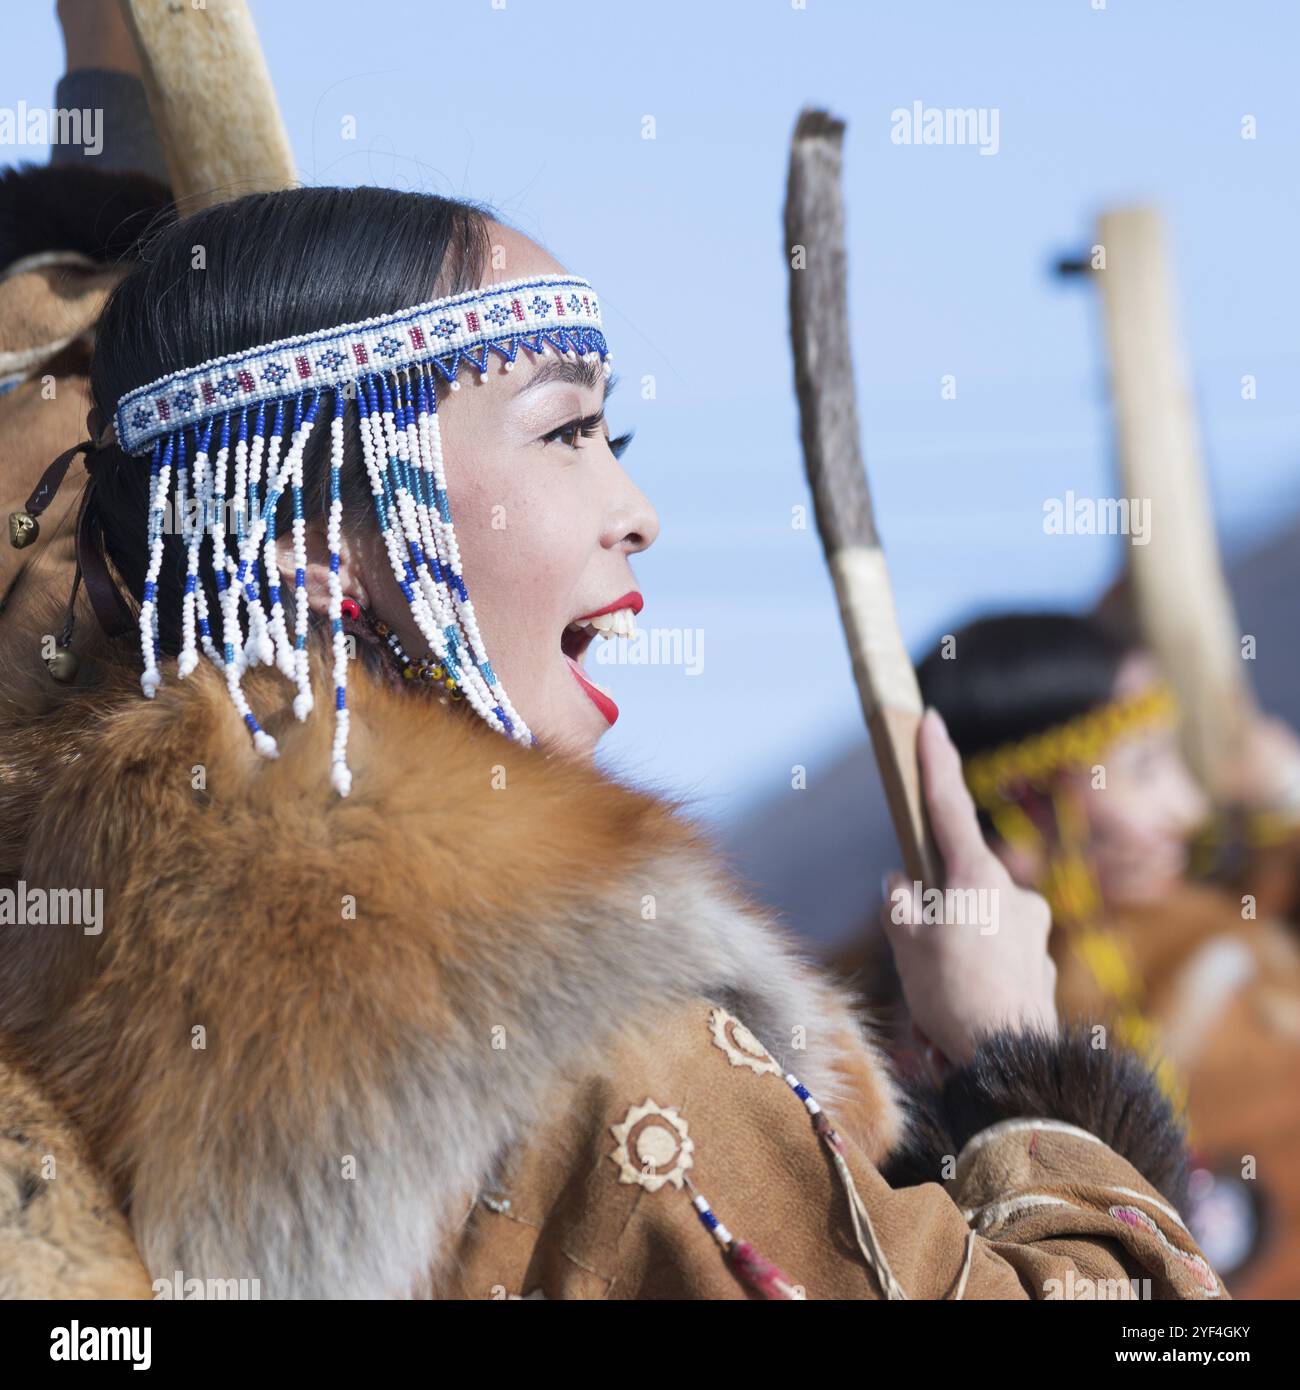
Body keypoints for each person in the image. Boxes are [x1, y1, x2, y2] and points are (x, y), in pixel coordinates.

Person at [0, 177, 1228, 1300]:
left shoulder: (70, 932)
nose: (635, 513)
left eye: (614, 439)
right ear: (314, 534)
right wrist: (1017, 1065)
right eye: (564, 430)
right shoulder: (575, 1027)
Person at [904, 611, 1300, 1297]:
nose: (1188, 805)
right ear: (1024, 806)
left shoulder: (1226, 915)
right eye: (1146, 768)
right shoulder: (936, 1054)